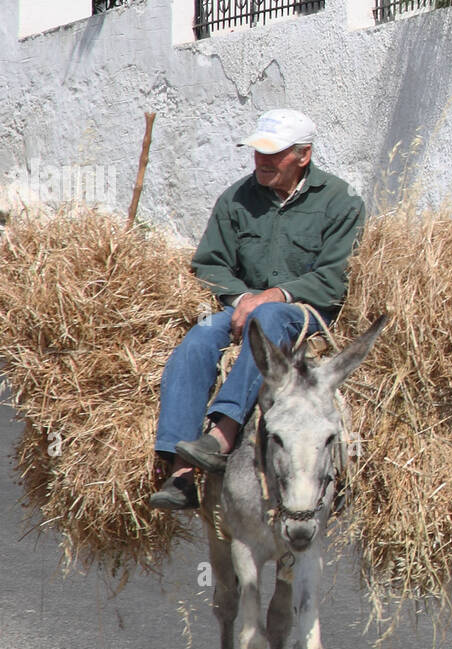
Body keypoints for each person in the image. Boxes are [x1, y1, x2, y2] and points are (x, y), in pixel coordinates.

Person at [149, 108, 365, 510]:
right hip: (242, 310)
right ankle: (179, 470)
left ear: (304, 155)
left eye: (274, 153)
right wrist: (240, 299)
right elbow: (209, 264)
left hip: (304, 316)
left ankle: (223, 434)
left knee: (268, 319)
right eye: (257, 152)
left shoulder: (340, 201)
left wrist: (271, 297)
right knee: (199, 335)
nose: (261, 160)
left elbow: (335, 277)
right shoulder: (236, 198)